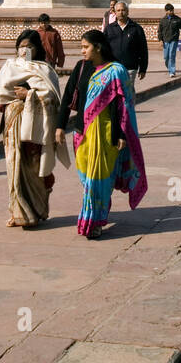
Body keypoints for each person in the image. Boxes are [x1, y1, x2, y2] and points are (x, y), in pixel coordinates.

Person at [0, 29, 67, 229]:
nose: (24, 51)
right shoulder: (9, 66)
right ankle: (19, 212)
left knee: (34, 166)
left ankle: (37, 211)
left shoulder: (44, 70)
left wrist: (29, 94)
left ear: (37, 49)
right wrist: (15, 98)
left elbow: (53, 99)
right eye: (21, 47)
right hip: (13, 123)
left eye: (29, 47)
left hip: (36, 127)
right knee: (15, 167)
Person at [72, 29, 147, 239]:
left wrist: (121, 135)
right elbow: (74, 98)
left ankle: (94, 221)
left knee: (100, 180)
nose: (82, 51)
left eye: (85, 47)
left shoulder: (116, 71)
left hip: (106, 133)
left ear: (98, 47)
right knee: (88, 179)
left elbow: (122, 108)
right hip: (86, 133)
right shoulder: (86, 69)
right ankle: (97, 213)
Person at [105, 0, 148, 87]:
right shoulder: (109, 28)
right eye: (118, 10)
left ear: (128, 12)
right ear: (115, 12)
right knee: (113, 92)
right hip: (113, 68)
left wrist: (143, 68)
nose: (121, 13)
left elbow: (143, 50)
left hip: (130, 68)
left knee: (128, 92)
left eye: (123, 10)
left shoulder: (136, 28)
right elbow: (104, 48)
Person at [157, 3, 181, 78]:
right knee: (166, 57)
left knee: (172, 55)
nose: (172, 12)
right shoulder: (163, 20)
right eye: (170, 10)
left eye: (172, 10)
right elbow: (160, 31)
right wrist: (160, 40)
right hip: (165, 41)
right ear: (166, 11)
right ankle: (169, 68)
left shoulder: (177, 20)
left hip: (174, 40)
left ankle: (172, 71)